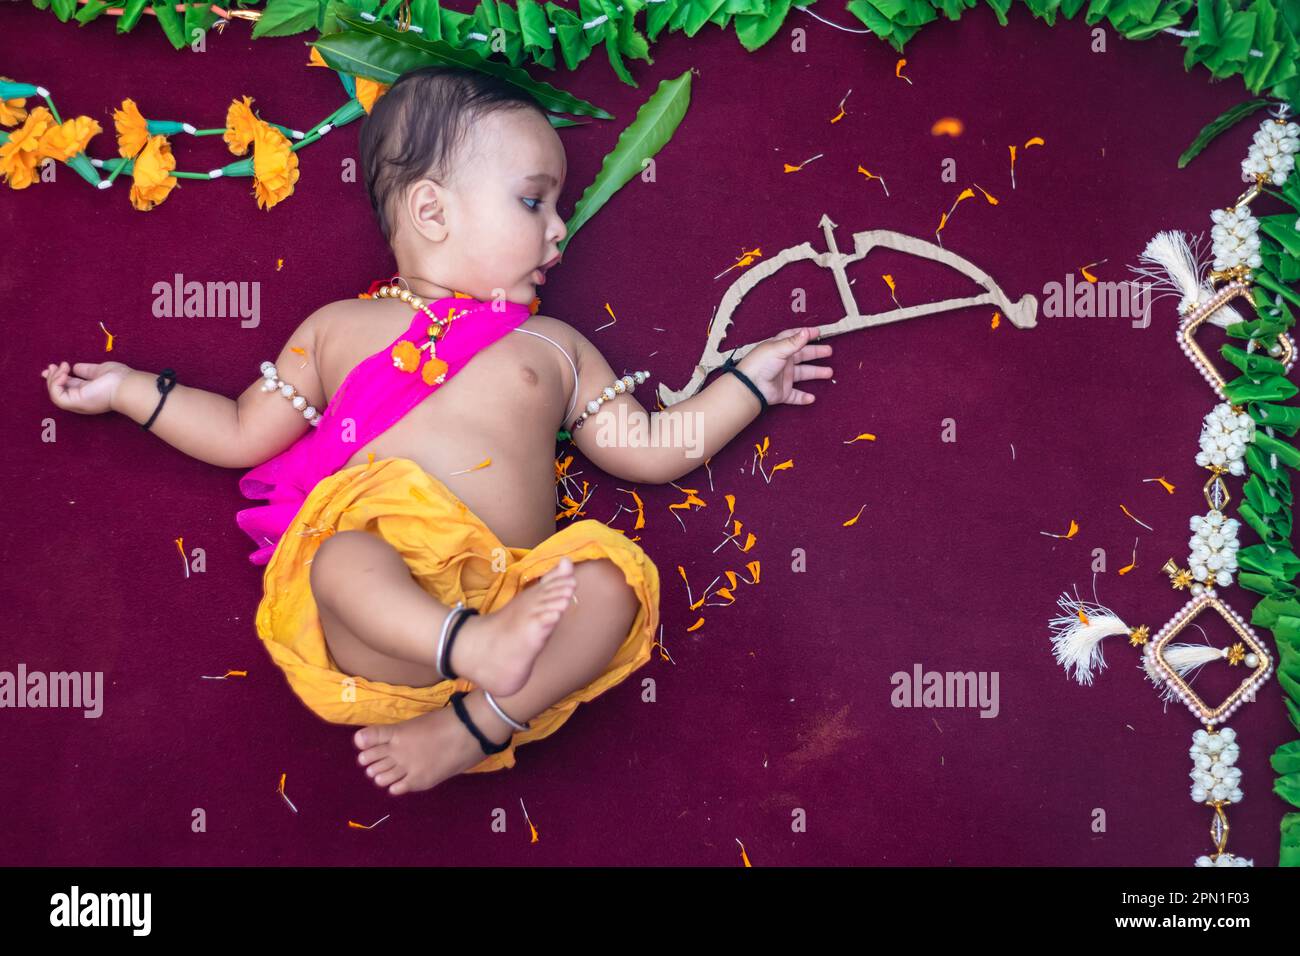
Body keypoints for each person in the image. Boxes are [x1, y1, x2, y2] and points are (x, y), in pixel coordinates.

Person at [40, 65, 833, 796]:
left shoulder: (555, 348)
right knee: (339, 556)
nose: (560, 229)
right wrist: (131, 391)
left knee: (616, 581)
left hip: (512, 600)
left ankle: (473, 726)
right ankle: (466, 652)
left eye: (558, 206)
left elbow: (647, 452)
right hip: (390, 622)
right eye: (534, 201)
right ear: (430, 209)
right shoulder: (340, 328)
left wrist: (744, 389)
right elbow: (245, 431)